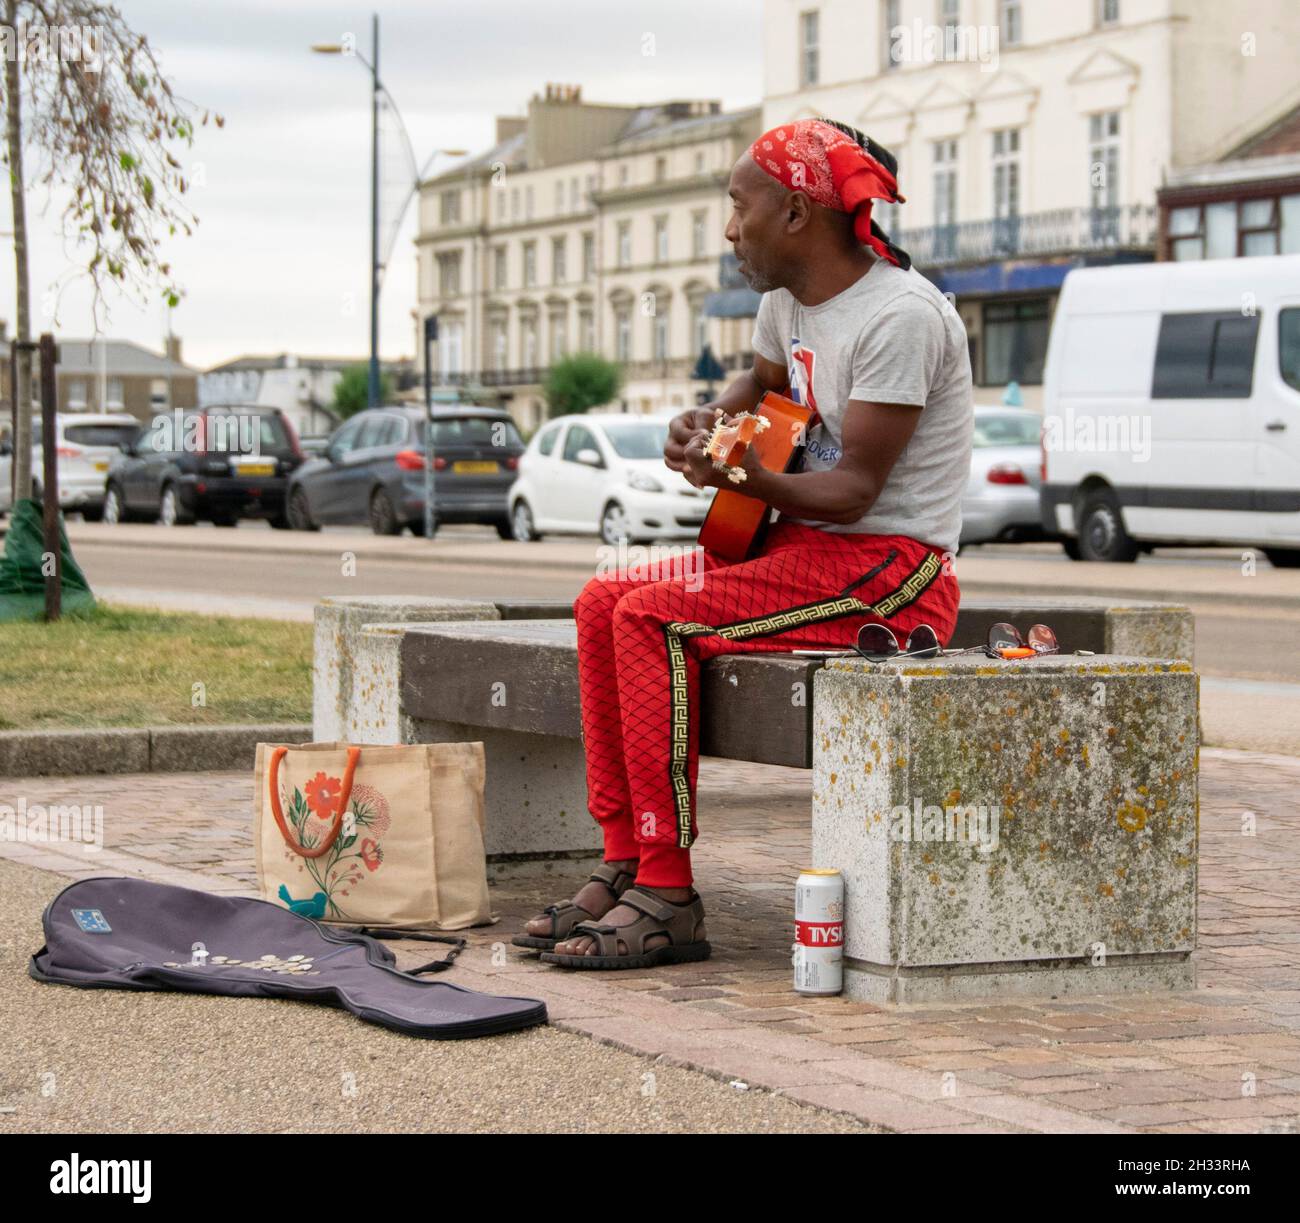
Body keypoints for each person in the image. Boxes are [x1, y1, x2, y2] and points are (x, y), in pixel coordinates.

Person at [515, 117, 974, 970]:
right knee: (600, 599)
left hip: (891, 573)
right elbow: (762, 383)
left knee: (652, 616)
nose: (729, 229)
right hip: (799, 553)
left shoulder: (903, 316)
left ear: (797, 214)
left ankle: (667, 891)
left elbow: (853, 492)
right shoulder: (784, 301)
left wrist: (741, 478)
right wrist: (710, 424)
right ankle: (625, 853)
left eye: (738, 206)